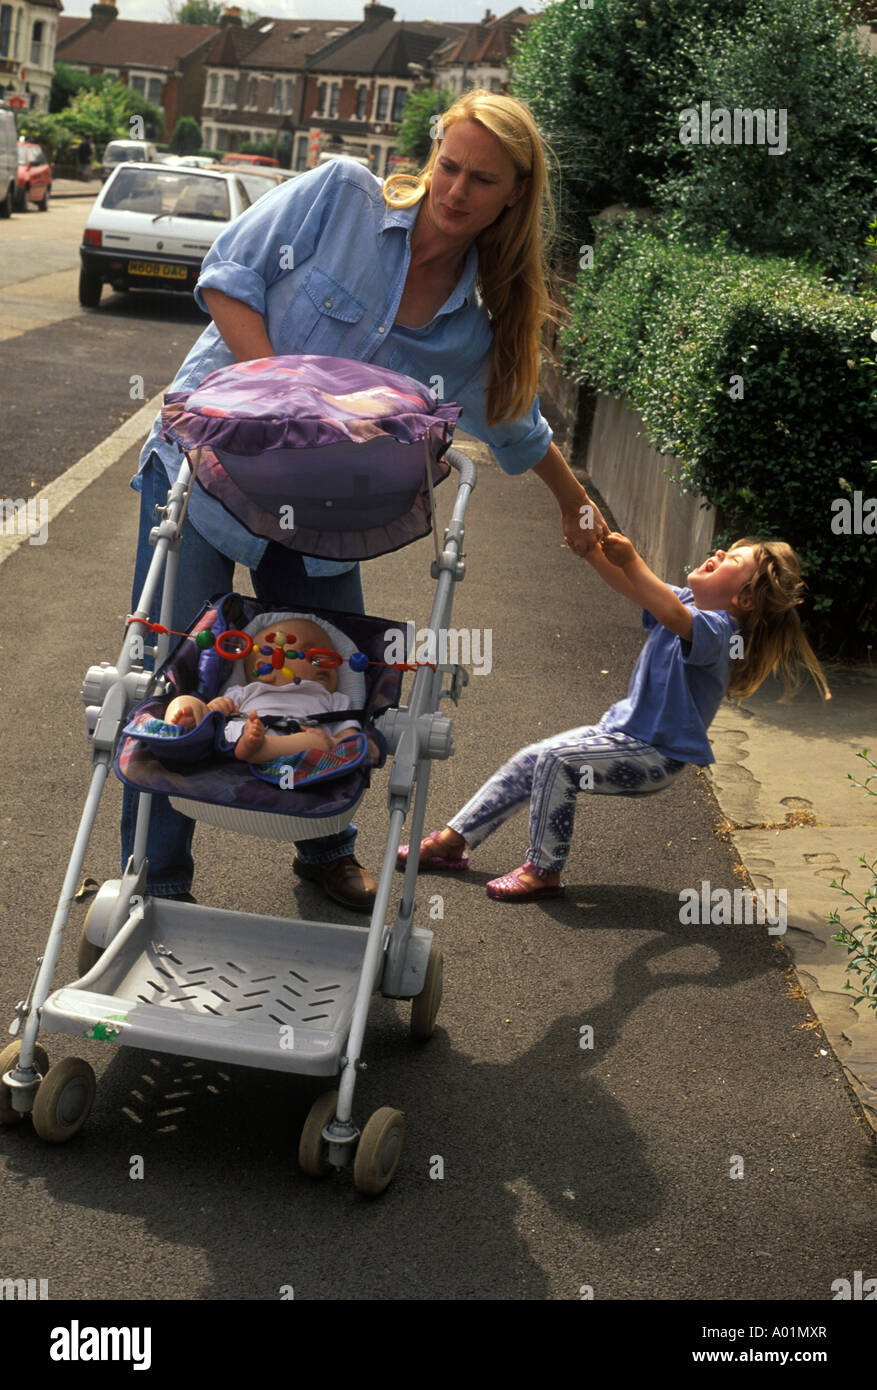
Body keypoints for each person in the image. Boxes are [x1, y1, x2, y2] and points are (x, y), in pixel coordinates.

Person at [123, 89, 609, 912]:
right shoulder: (340, 194)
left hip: (320, 520)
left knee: (337, 677)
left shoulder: (473, 326)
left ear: (512, 197)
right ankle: (157, 881)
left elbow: (517, 427)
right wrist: (286, 406)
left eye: (481, 181)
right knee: (169, 671)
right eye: (448, 167)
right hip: (203, 473)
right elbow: (228, 282)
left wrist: (578, 510)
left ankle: (324, 851)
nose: (455, 192)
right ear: (429, 160)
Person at [398, 534, 830, 901]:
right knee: (533, 758)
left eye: (731, 561)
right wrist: (593, 551)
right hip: (620, 733)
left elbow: (670, 612)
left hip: (654, 756)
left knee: (557, 762)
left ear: (744, 599)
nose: (717, 554)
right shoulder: (682, 600)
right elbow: (630, 585)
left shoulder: (719, 631)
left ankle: (545, 870)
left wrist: (633, 558)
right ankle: (453, 841)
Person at [158, 617, 380, 770]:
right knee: (188, 701)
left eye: (330, 658)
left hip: (294, 756)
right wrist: (215, 707)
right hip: (231, 742)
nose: (324, 663)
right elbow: (217, 712)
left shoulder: (336, 700)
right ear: (266, 669)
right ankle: (179, 726)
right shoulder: (245, 691)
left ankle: (261, 749)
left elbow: (348, 739)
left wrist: (338, 743)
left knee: (318, 745)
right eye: (311, 655)